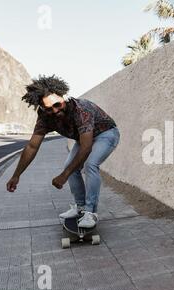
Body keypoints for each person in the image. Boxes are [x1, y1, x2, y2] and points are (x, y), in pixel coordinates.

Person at [6, 74, 120, 228]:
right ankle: (80, 208)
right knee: (71, 166)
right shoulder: (45, 117)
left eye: (57, 105)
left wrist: (63, 176)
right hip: (84, 138)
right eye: (49, 108)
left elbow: (86, 149)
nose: (55, 111)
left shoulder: (81, 109)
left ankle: (90, 212)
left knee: (90, 165)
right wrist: (16, 175)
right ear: (41, 107)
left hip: (106, 134)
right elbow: (32, 147)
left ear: (63, 97)